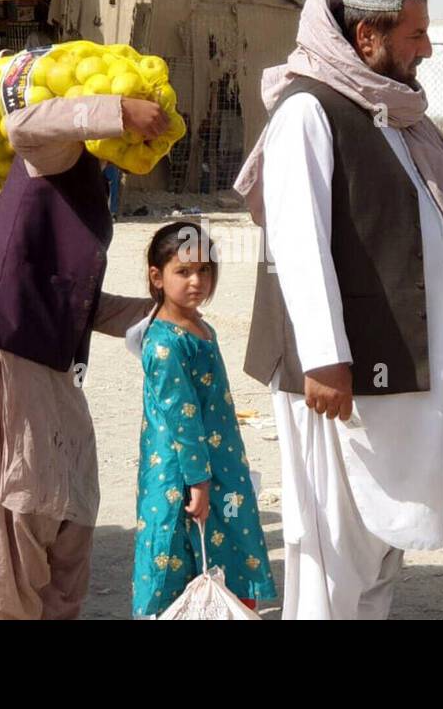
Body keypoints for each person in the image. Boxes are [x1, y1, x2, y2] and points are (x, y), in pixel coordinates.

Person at [236, 0, 443, 620]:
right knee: (333, 550)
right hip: (338, 382)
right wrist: (326, 359)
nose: (427, 48)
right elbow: (298, 244)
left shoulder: (386, 113)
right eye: (415, 34)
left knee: (377, 549)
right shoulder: (309, 109)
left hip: (389, 379)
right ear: (368, 36)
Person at [0, 88, 164, 620]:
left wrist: (163, 312)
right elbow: (22, 125)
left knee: (73, 506)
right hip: (6, 352)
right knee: (19, 511)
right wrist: (116, 111)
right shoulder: (56, 152)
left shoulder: (94, 174)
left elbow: (77, 298)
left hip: (50, 359)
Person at [131, 222, 276, 617]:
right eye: (184, 271)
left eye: (205, 270)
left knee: (225, 552)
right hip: (182, 476)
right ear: (157, 277)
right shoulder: (164, 344)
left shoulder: (200, 328)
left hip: (219, 466)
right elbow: (183, 420)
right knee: (174, 557)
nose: (197, 281)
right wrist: (198, 482)